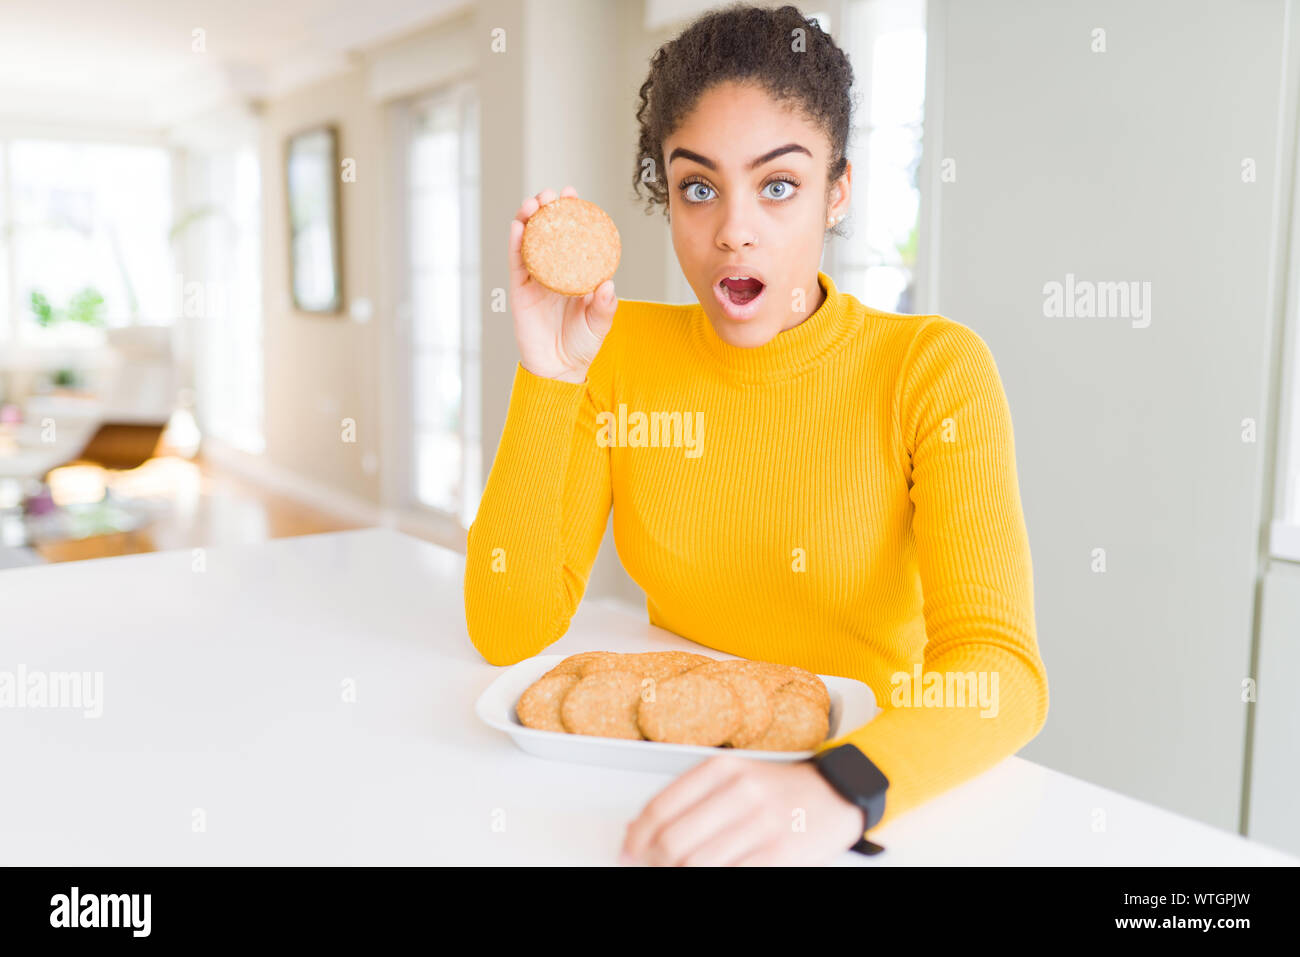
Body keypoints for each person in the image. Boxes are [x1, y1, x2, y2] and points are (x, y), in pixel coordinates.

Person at [465, 2, 1048, 866]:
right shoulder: (615, 351)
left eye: (778, 184)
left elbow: (1001, 671)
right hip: (660, 775)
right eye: (699, 186)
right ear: (667, 194)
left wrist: (831, 789)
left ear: (837, 190)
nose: (734, 228)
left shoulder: (932, 369)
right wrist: (549, 376)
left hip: (868, 791)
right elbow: (506, 628)